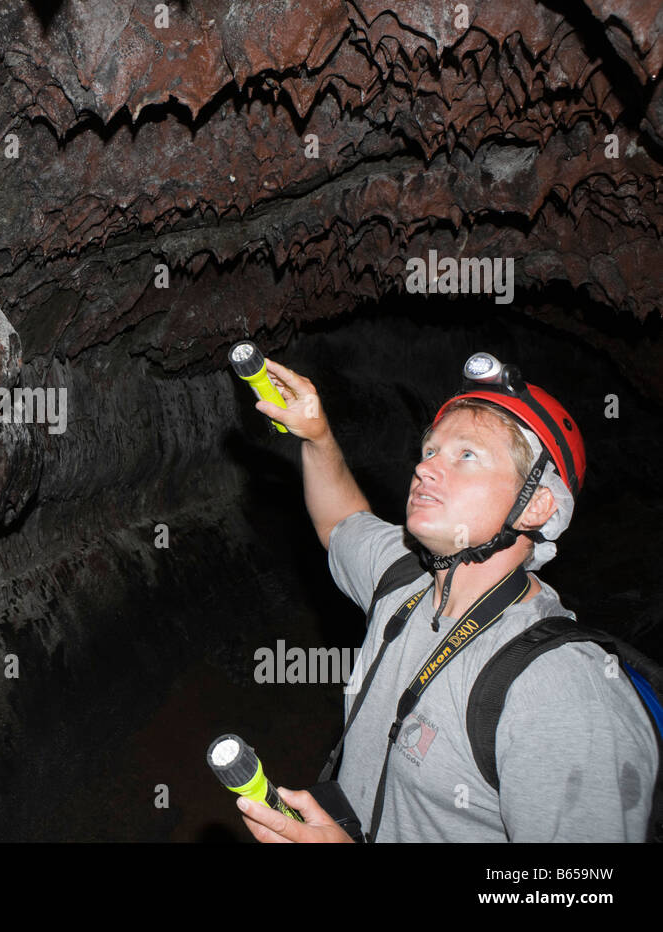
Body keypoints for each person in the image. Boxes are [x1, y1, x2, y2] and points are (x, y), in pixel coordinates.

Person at [235, 353, 658, 842]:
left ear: (536, 505)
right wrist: (317, 436)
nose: (426, 468)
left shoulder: (559, 693)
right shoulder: (404, 578)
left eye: (467, 455)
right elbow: (340, 524)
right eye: (431, 450)